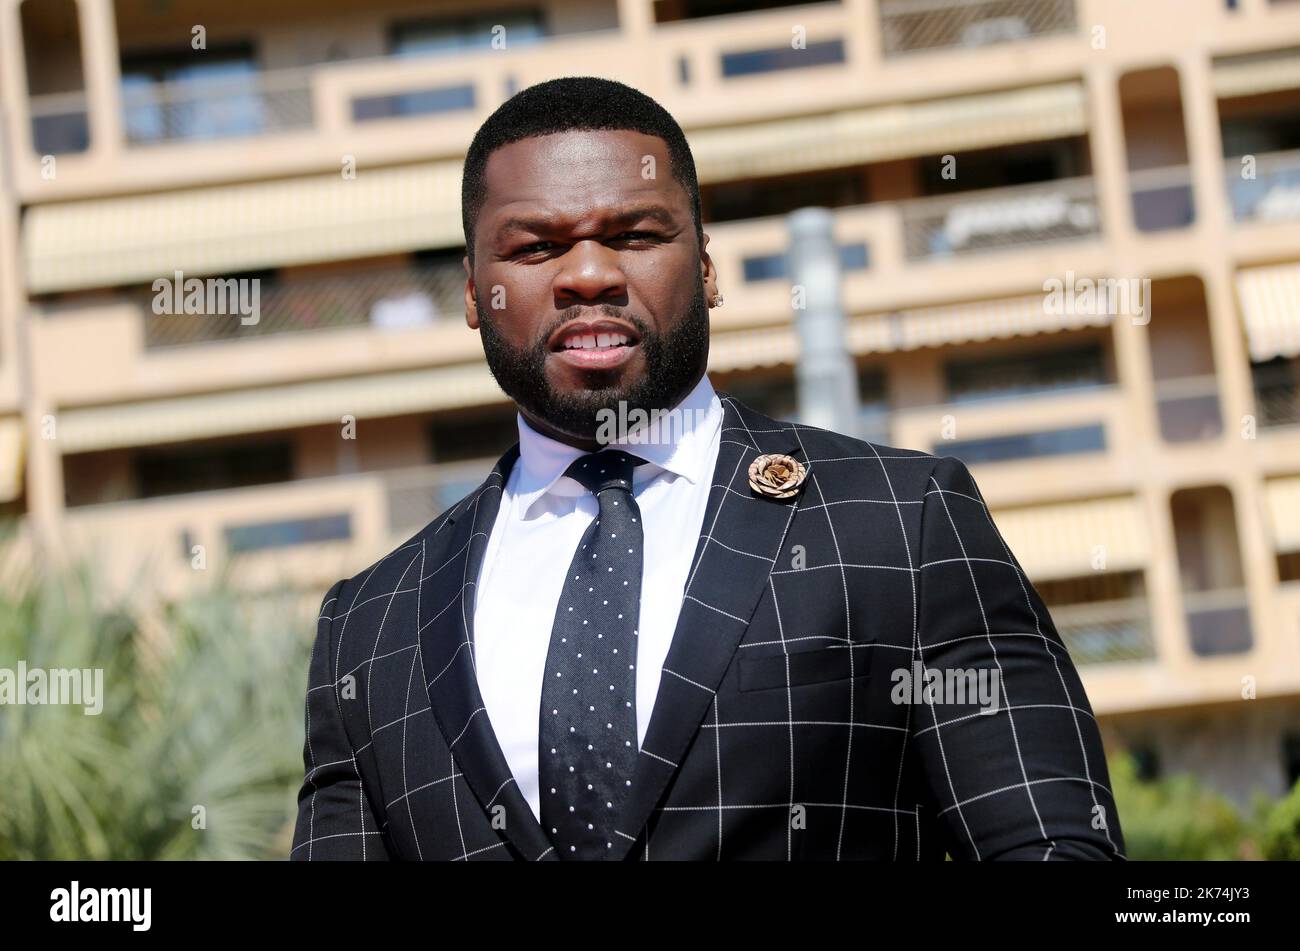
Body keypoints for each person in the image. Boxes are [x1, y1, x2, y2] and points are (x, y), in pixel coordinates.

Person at [290, 75, 1125, 861]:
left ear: (708, 265)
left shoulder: (899, 522)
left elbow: (1050, 841)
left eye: (635, 235)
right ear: (475, 291)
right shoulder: (370, 626)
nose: (589, 275)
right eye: (538, 246)